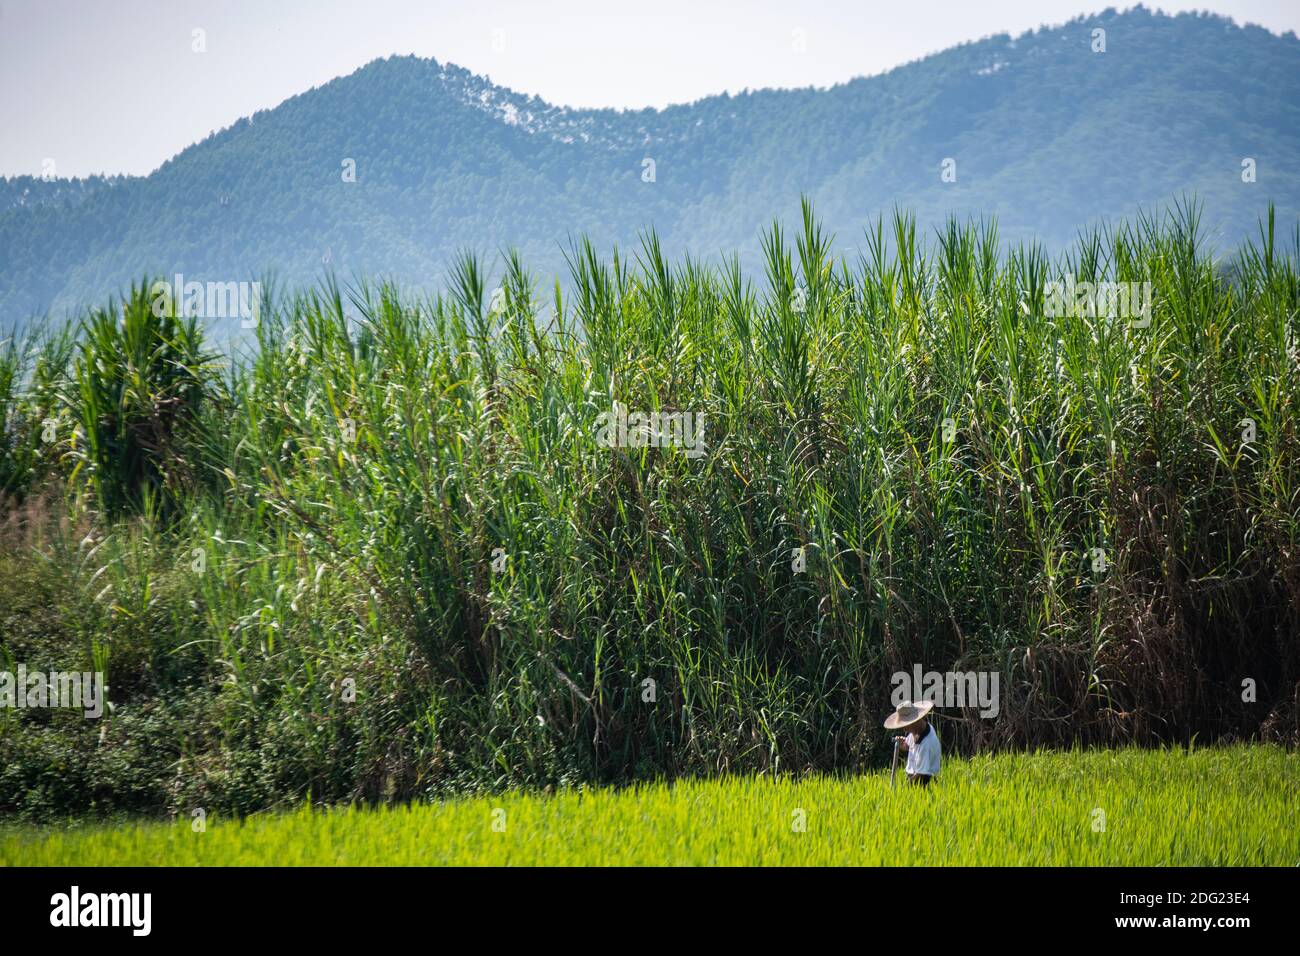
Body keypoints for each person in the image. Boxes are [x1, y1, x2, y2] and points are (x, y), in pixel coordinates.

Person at [884, 700, 940, 786]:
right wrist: (904, 745)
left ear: (916, 721)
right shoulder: (917, 730)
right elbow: (910, 746)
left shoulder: (927, 743)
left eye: (906, 725)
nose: (904, 729)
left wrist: (903, 789)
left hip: (923, 782)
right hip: (913, 777)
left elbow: (921, 774)